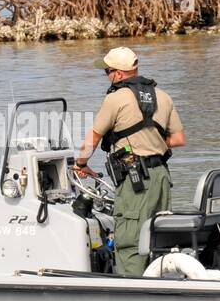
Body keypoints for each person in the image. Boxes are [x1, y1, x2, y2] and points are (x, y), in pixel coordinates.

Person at [74, 47, 185, 276]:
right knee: (158, 236)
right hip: (161, 177)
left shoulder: (115, 99)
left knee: (129, 240)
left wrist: (81, 164)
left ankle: (131, 290)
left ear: (118, 74)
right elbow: (178, 139)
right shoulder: (163, 96)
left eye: (107, 71)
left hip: (136, 181)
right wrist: (150, 141)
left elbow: (92, 139)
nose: (107, 75)